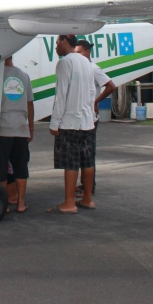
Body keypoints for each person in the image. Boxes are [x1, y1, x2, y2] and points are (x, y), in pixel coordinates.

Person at [46, 34, 97, 214]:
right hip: (87, 121)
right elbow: (92, 91)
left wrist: (54, 122)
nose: (56, 47)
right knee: (87, 161)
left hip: (70, 121)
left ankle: (69, 203)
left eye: (57, 42)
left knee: (71, 162)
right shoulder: (86, 62)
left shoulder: (64, 63)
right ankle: (87, 199)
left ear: (65, 41)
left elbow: (61, 94)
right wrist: (90, 113)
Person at [74, 39, 117, 198]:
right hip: (82, 117)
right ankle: (85, 184)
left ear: (87, 52)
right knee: (81, 153)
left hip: (90, 118)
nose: (77, 55)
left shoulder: (93, 69)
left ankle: (89, 188)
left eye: (79, 52)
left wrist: (96, 101)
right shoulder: (81, 69)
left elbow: (111, 86)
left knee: (88, 153)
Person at [0, 56, 33, 213]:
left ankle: (4, 205)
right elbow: (30, 103)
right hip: (21, 128)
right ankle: (21, 203)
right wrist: (31, 128)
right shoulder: (24, 75)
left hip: (3, 128)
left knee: (1, 168)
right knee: (21, 167)